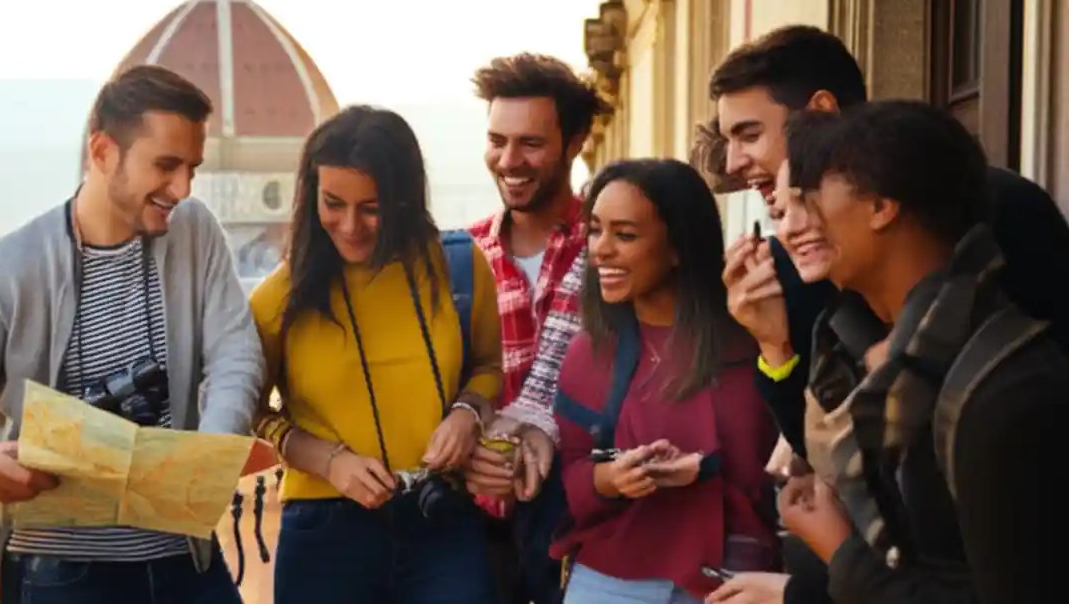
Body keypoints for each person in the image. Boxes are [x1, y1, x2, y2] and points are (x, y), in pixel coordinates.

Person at [701, 25, 1069, 602]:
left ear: (883, 207)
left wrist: (837, 563)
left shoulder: (1002, 379)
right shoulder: (823, 291)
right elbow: (850, 472)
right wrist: (774, 350)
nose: (734, 161)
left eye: (748, 134)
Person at [0, 65, 264, 603]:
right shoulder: (11, 267)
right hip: (60, 575)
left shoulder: (196, 231)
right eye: (165, 165)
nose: (182, 188)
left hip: (186, 559)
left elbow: (236, 354)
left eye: (192, 168)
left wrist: (211, 454)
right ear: (102, 151)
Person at [775, 100, 1069, 602]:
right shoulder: (856, 348)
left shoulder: (1005, 387)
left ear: (880, 206)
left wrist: (840, 551)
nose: (797, 224)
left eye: (813, 195)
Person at [249, 105, 504, 604]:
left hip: (441, 523)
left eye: (371, 207)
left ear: (405, 197)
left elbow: (489, 369)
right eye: (332, 203)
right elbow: (254, 414)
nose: (350, 225)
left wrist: (467, 413)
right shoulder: (276, 300)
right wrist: (328, 461)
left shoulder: (457, 267)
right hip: (325, 535)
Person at [553, 159, 779, 604]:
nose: (600, 250)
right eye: (595, 230)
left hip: (737, 582)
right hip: (612, 580)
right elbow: (573, 476)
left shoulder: (752, 340)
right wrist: (613, 478)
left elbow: (786, 461)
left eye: (625, 235)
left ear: (678, 247)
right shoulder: (590, 352)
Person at [461, 52, 609, 604]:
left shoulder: (612, 246)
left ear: (575, 143)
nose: (508, 160)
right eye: (497, 140)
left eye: (530, 143)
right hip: (473, 530)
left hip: (584, 521)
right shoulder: (461, 254)